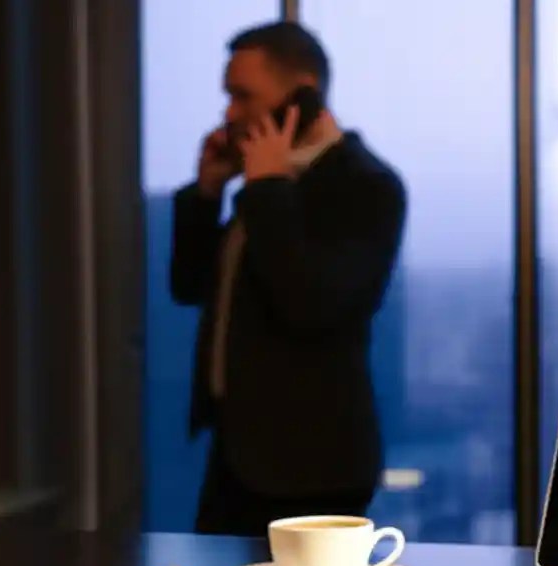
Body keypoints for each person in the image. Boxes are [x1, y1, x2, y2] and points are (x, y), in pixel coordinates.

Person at [170, 21, 406, 536]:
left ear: (300, 97)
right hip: (237, 453)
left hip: (312, 465)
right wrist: (207, 193)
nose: (229, 114)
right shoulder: (261, 186)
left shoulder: (366, 185)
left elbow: (311, 302)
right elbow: (190, 287)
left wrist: (269, 185)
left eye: (242, 96)